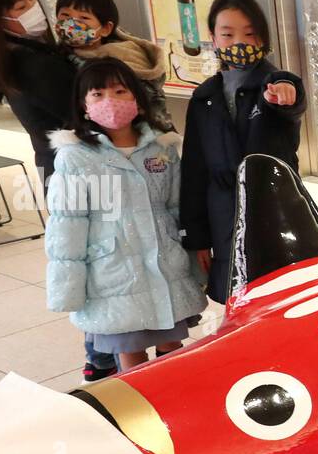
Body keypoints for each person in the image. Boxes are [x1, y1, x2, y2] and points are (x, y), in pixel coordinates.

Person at [0, 0, 117, 382]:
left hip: (62, 173)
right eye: (17, 4)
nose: (31, 8)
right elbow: (94, 118)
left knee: (97, 261)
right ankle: (104, 362)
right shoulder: (32, 62)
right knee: (106, 264)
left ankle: (102, 358)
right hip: (85, 175)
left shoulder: (16, 54)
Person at [44, 58, 205, 373]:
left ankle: (174, 400)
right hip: (113, 271)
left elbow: (177, 207)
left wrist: (192, 254)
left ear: (138, 101)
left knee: (172, 346)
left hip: (164, 266)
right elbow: (67, 224)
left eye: (120, 91)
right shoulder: (75, 157)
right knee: (129, 350)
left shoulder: (162, 149)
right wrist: (67, 288)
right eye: (98, 95)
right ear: (83, 105)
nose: (111, 102)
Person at [180, 0, 306, 303]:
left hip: (275, 207)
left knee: (280, 296)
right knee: (236, 300)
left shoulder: (275, 83)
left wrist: (287, 95)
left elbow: (291, 99)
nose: (239, 42)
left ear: (263, 38)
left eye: (250, 34)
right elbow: (194, 172)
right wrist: (197, 238)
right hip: (224, 212)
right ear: (213, 37)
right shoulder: (203, 98)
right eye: (228, 33)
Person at [54, 0, 173, 130]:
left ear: (105, 29)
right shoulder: (58, 57)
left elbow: (152, 104)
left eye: (84, 17)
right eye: (65, 15)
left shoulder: (125, 55)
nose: (71, 24)